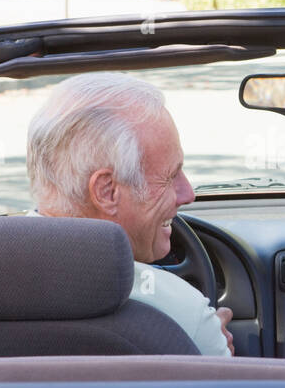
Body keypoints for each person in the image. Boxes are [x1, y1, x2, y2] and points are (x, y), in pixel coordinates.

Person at [26, 73, 233, 356]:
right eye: (170, 176)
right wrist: (213, 345)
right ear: (107, 191)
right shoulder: (184, 316)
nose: (187, 194)